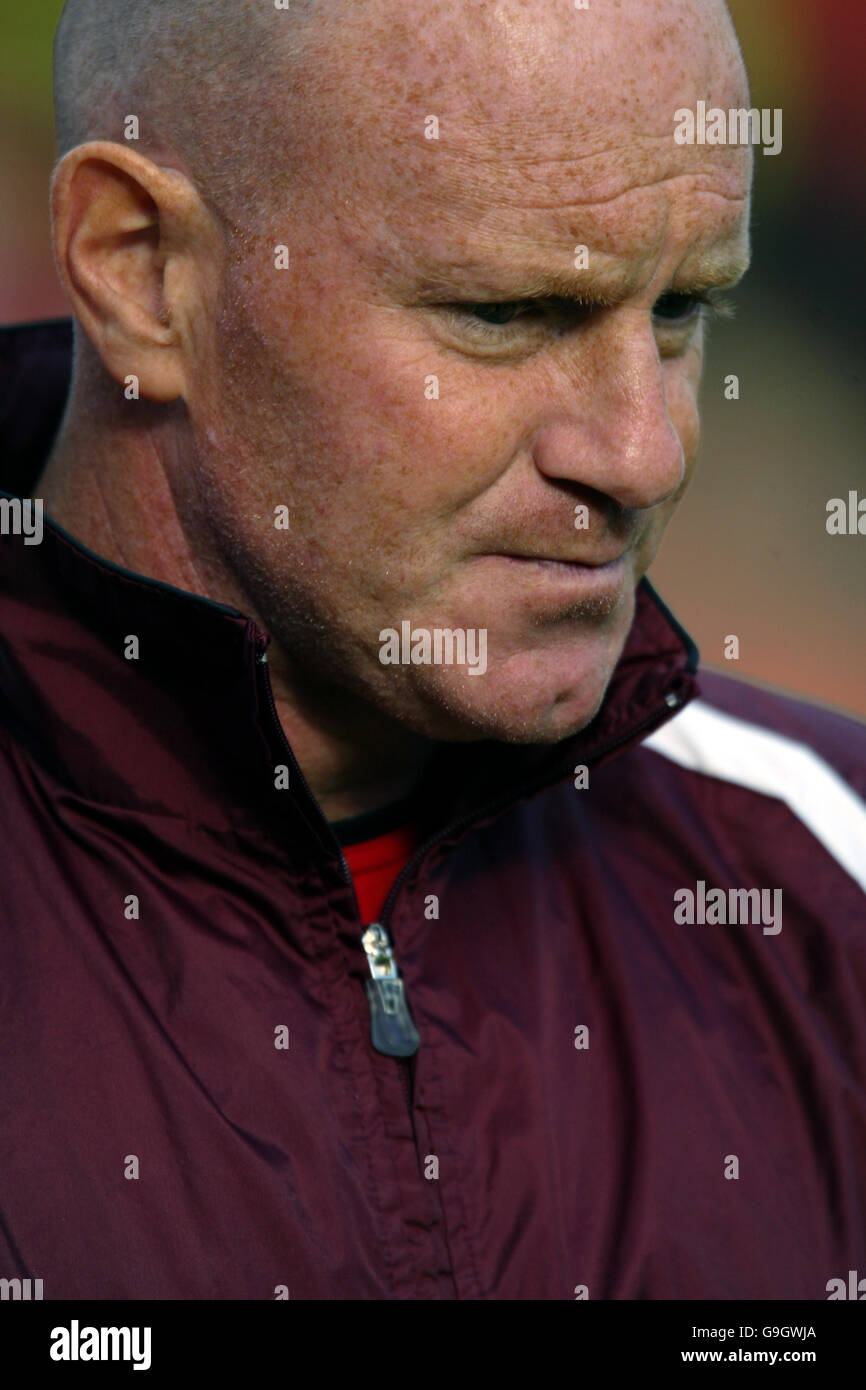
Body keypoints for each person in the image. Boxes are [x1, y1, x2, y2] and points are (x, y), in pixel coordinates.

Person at [0, 0, 864, 1301]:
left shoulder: (832, 864)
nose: (643, 452)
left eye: (682, 309)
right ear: (139, 270)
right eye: (507, 314)